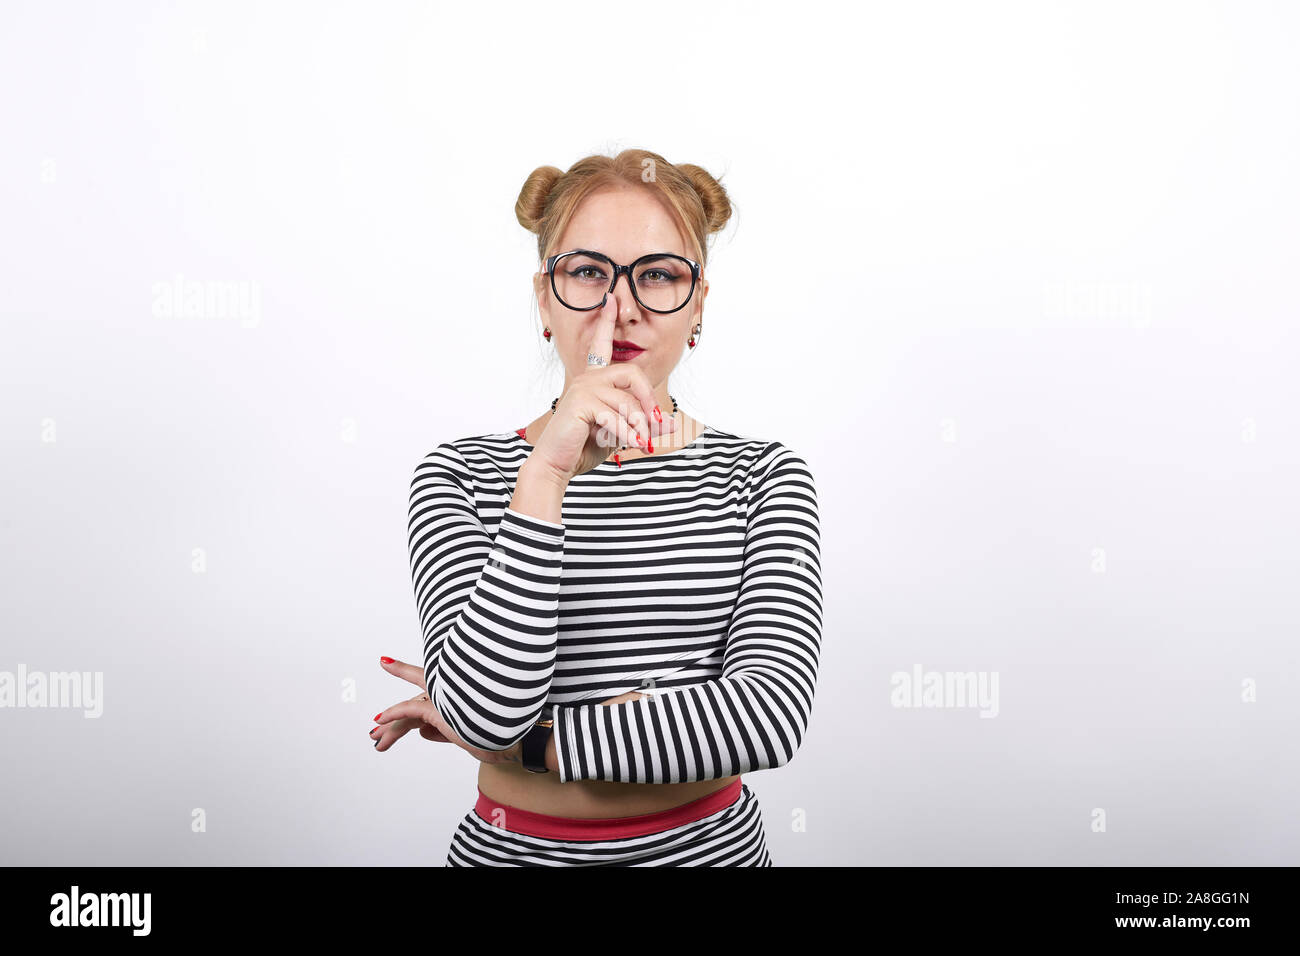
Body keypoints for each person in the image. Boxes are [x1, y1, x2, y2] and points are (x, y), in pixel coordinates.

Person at [372, 149, 823, 866]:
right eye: (587, 272)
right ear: (544, 300)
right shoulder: (458, 475)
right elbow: (487, 712)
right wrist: (546, 474)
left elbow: (765, 720)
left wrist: (538, 743)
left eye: (660, 275)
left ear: (699, 301)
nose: (623, 308)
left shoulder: (762, 477)